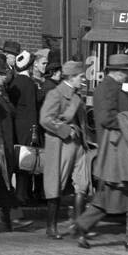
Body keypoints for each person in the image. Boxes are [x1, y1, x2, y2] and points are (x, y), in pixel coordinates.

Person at [70, 54, 128, 251]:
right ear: (119, 72)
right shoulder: (110, 89)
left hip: (114, 149)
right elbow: (107, 118)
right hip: (118, 148)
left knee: (106, 197)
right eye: (127, 72)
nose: (127, 76)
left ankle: (81, 225)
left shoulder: (107, 88)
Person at [0, 57, 33, 231]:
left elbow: (11, 112)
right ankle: (12, 218)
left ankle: (9, 218)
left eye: (5, 73)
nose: (4, 76)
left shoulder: (2, 91)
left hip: (6, 143)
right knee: (2, 183)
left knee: (4, 183)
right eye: (1, 74)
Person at [38, 59, 91, 238]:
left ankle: (78, 226)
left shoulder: (76, 96)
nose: (83, 80)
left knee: (82, 184)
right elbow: (45, 119)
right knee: (56, 184)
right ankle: (51, 227)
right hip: (62, 143)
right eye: (81, 77)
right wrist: (66, 130)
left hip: (78, 145)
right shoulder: (56, 94)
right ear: (71, 77)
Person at [8, 49, 40, 205]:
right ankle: (22, 194)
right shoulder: (29, 84)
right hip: (27, 126)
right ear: (31, 66)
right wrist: (34, 130)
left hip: (15, 126)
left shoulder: (14, 82)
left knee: (17, 159)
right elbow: (32, 109)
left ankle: (20, 193)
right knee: (26, 161)